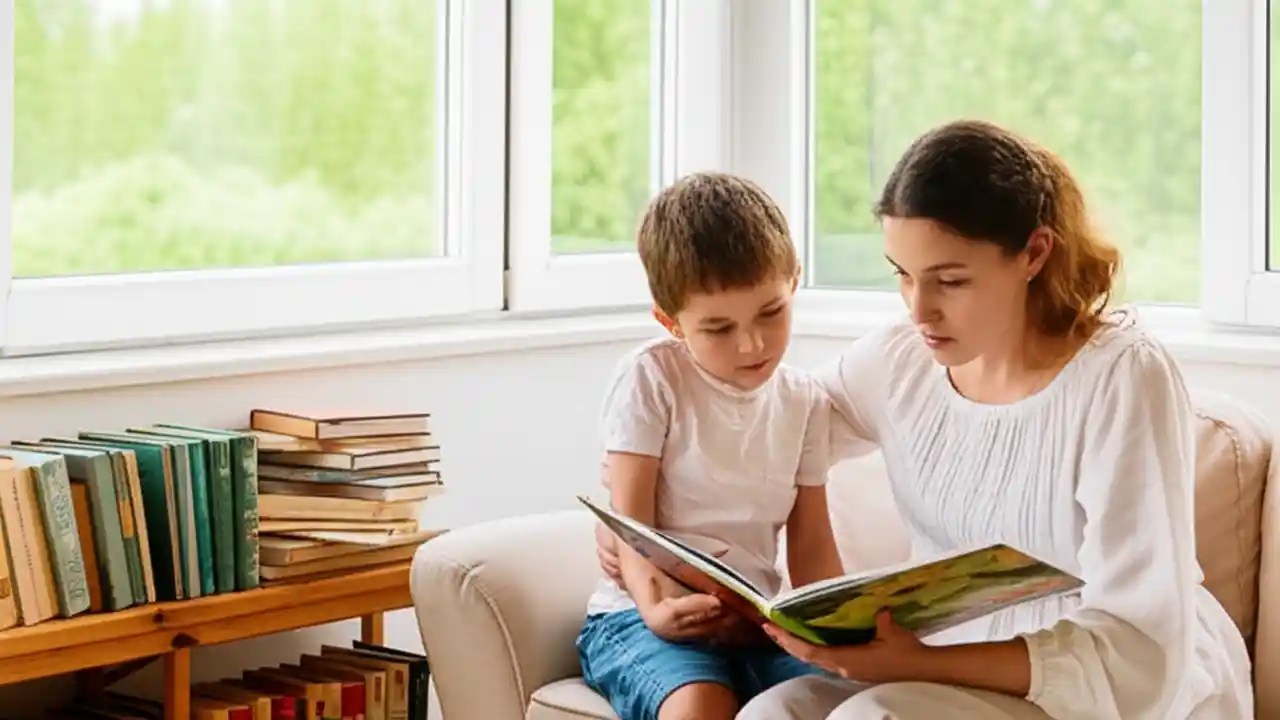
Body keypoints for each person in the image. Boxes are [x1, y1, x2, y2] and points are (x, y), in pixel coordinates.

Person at [596, 120, 1255, 719]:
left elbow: (1138, 649)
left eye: (950, 280)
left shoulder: (1122, 377)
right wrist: (639, 534)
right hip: (941, 655)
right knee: (768, 715)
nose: (919, 310)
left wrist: (914, 662)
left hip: (1103, 685)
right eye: (903, 276)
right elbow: (764, 420)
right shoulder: (902, 359)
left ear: (1034, 253)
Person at [576, 172, 846, 720]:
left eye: (771, 312)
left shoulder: (806, 402)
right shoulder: (651, 380)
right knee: (701, 704)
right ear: (670, 321)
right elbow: (632, 529)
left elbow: (813, 545)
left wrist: (843, 631)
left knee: (849, 697)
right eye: (718, 329)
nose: (753, 344)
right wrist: (655, 606)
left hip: (753, 627)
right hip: (638, 619)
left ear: (795, 281)